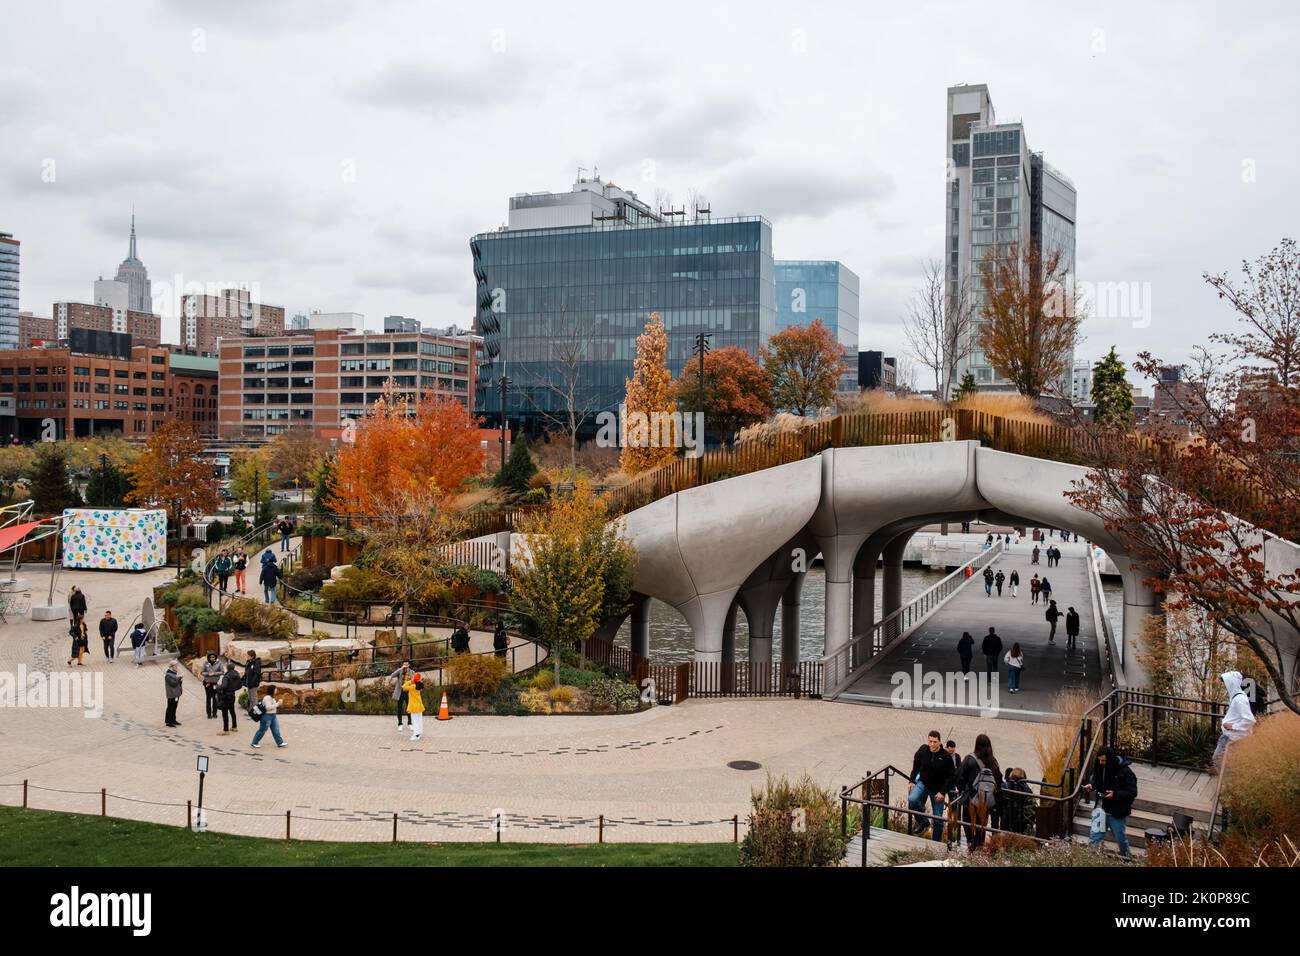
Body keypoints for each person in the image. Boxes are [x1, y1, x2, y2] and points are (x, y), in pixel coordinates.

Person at [1085, 745, 1138, 859]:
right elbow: (1097, 781)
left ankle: (1127, 859)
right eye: (1099, 760)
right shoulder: (1101, 767)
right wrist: (1092, 786)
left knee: (1121, 840)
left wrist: (1115, 794)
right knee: (1094, 837)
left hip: (1116, 811)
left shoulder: (1125, 771)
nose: (1101, 763)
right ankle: (1088, 860)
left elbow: (1132, 792)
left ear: (1110, 759)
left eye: (1103, 760)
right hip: (1101, 808)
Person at [956, 733, 1001, 849]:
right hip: (986, 800)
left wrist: (961, 789)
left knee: (967, 820)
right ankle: (979, 845)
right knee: (982, 823)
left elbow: (959, 777)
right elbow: (999, 780)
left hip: (971, 797)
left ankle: (971, 843)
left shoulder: (970, 759)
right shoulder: (993, 762)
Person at [908, 731, 954, 842]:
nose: (932, 744)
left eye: (935, 742)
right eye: (930, 741)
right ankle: (923, 822)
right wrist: (912, 781)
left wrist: (943, 792)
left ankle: (936, 843)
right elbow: (916, 766)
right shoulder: (923, 750)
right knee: (912, 800)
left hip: (938, 790)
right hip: (923, 783)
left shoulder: (946, 757)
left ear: (940, 742)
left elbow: (951, 776)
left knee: (938, 819)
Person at [1211, 670, 1257, 774]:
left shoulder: (1239, 699)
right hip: (1230, 735)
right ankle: (1228, 784)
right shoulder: (1236, 697)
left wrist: (1232, 726)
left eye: (1225, 683)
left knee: (1218, 760)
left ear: (1231, 683)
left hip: (1232, 736)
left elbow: (1249, 720)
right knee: (1227, 762)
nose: (1224, 686)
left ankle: (1228, 783)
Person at [1001, 768, 1034, 834]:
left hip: (1006, 818)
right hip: (1021, 820)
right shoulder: (1027, 788)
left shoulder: (1004, 785)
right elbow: (1030, 806)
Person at [217, 661, 241, 734]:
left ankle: (226, 730)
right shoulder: (237, 675)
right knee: (232, 711)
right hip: (232, 695)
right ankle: (234, 727)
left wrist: (218, 687)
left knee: (225, 713)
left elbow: (224, 686)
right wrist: (233, 689)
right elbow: (240, 685)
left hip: (226, 696)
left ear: (227, 668)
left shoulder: (226, 676)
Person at [402, 671, 426, 741]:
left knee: (414, 721)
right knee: (419, 720)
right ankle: (419, 732)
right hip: (419, 705)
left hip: (414, 706)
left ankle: (416, 735)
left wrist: (410, 681)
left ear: (414, 679)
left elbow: (403, 687)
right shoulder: (420, 685)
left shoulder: (413, 686)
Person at [390, 660, 413, 730]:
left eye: (406, 664)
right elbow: (392, 675)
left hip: (408, 692)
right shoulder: (400, 671)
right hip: (400, 692)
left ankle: (410, 723)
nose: (405, 665)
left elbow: (415, 681)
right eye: (404, 664)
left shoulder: (412, 672)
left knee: (409, 708)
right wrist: (401, 668)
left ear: (409, 665)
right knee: (399, 708)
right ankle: (400, 724)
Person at [201, 651, 223, 718]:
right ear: (208, 658)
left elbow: (222, 672)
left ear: (215, 657)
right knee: (208, 698)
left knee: (215, 698)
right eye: (210, 657)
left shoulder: (219, 663)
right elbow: (202, 672)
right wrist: (208, 674)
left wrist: (215, 673)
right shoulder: (206, 663)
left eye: (213, 657)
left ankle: (214, 713)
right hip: (208, 683)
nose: (212, 658)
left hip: (215, 684)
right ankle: (209, 714)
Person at [243, 650, 263, 718]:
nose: (247, 657)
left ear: (252, 656)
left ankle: (256, 714)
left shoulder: (256, 663)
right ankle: (250, 712)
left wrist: (252, 683)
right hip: (249, 683)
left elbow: (257, 674)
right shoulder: (249, 662)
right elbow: (246, 673)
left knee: (254, 699)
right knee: (250, 698)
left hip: (253, 684)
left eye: (248, 656)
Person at [164, 661, 183, 727]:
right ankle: (168, 722)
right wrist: (179, 677)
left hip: (176, 694)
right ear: (171, 666)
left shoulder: (174, 673)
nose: (177, 667)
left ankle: (173, 720)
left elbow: (178, 683)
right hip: (171, 694)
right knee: (170, 707)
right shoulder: (168, 675)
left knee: (174, 707)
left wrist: (180, 681)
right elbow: (173, 684)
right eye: (175, 666)